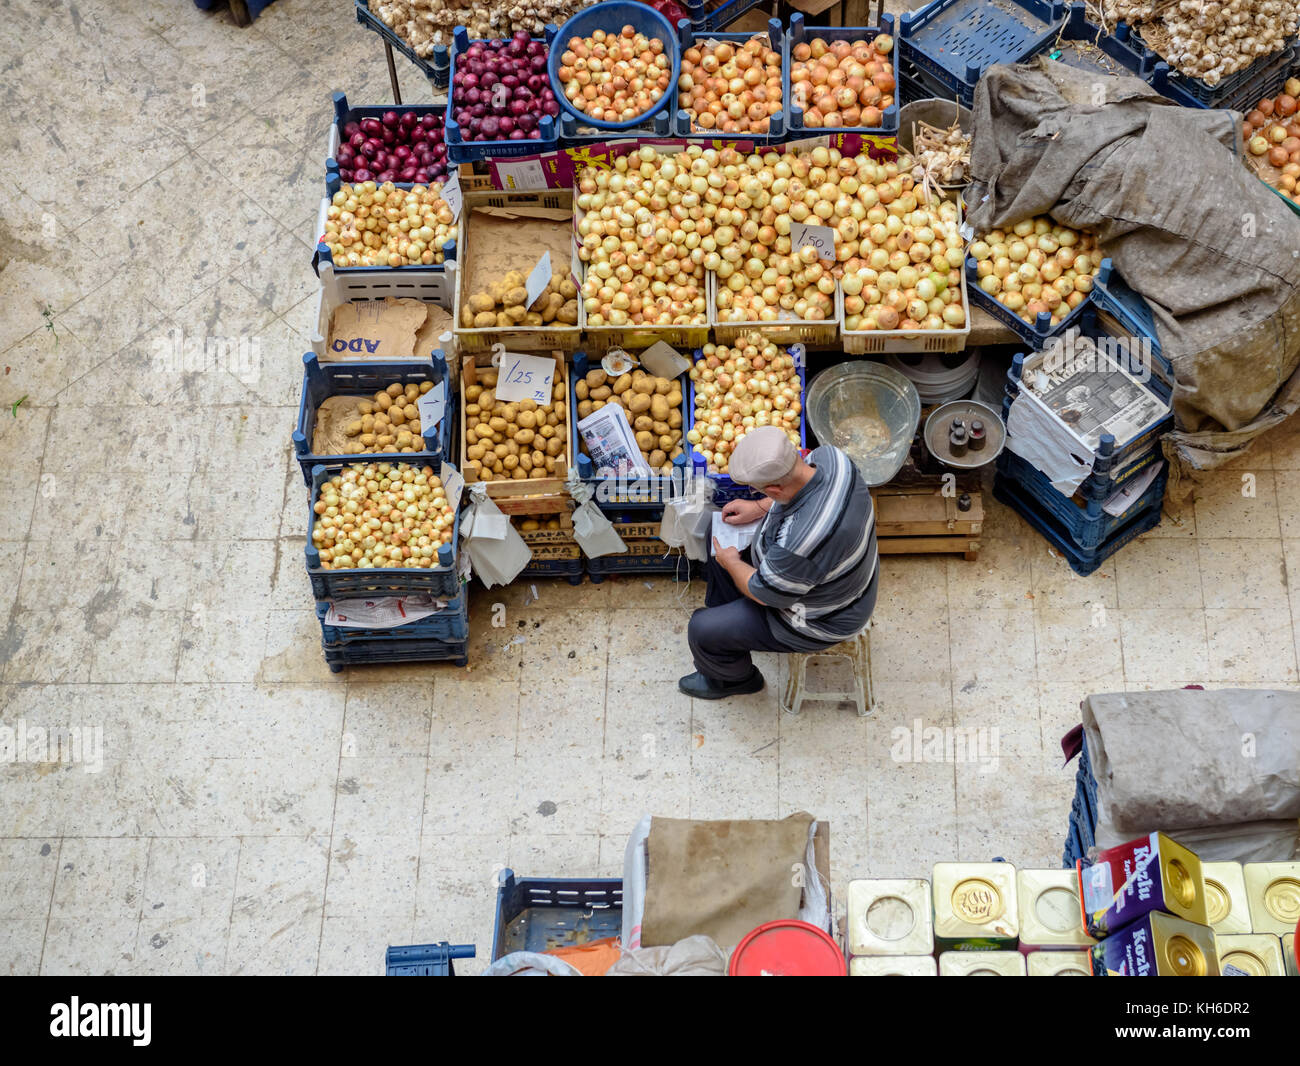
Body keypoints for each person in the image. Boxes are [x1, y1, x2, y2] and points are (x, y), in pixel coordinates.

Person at [679, 426, 879, 699]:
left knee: (701, 629)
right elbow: (794, 487)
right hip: (818, 573)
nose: (756, 493)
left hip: (818, 618)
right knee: (718, 535)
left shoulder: (803, 541)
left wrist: (732, 562)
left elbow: (765, 594)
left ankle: (733, 680)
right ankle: (730, 623)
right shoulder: (832, 458)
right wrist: (760, 507)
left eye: (759, 490)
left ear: (774, 487)